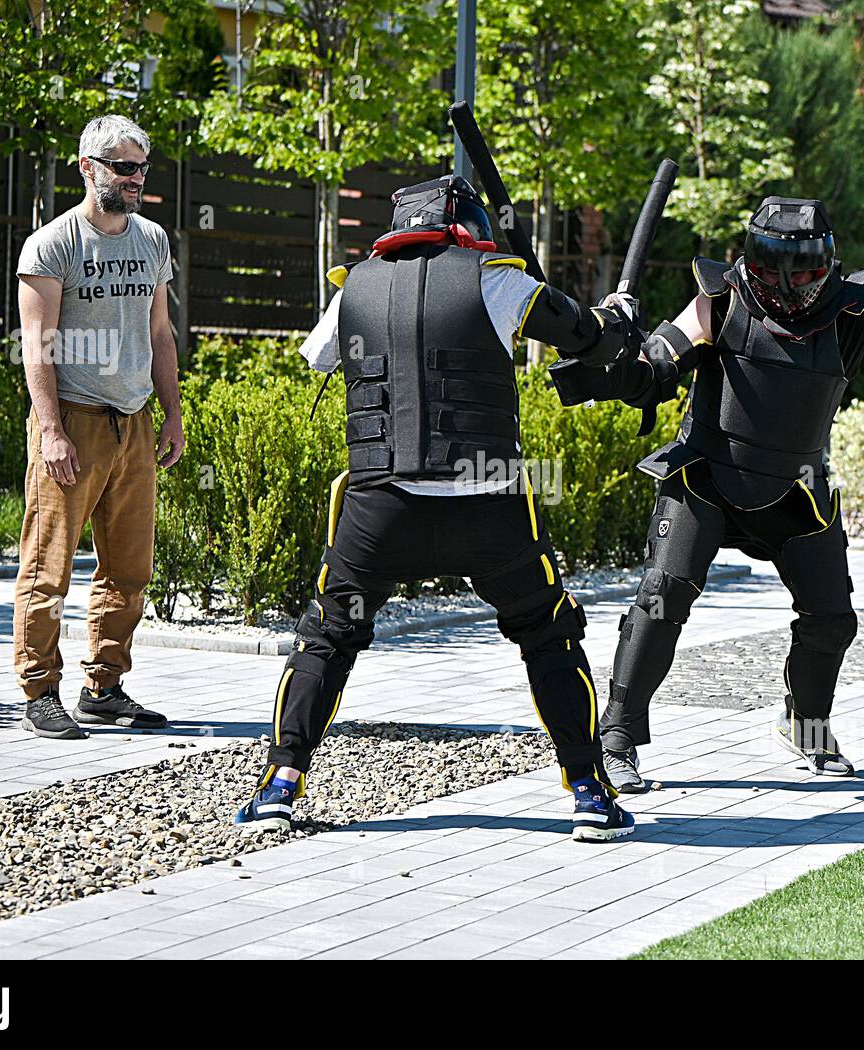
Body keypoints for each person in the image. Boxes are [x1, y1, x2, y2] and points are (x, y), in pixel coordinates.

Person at [233, 174, 646, 841]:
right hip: (487, 511)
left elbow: (317, 358)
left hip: (380, 515)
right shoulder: (497, 277)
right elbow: (583, 336)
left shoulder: (353, 288)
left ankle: (281, 783)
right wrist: (618, 318)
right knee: (548, 634)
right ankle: (591, 795)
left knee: (330, 637)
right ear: (467, 224)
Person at [574, 197, 864, 789]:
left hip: (797, 487)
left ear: (827, 264)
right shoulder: (718, 300)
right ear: (748, 260)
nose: (788, 284)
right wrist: (611, 344)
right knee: (661, 600)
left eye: (803, 270)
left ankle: (807, 727)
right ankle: (615, 736)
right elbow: (655, 365)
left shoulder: (853, 312)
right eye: (771, 269)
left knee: (832, 616)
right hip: (706, 479)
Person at [12, 114, 184, 739]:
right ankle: (39, 690)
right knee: (48, 565)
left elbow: (160, 333)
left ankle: (104, 688)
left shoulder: (152, 239)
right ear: (88, 168)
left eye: (142, 166)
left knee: (129, 568)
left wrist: (172, 413)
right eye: (124, 166)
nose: (137, 177)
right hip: (74, 422)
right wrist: (50, 430)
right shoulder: (52, 244)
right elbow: (38, 346)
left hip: (134, 423)